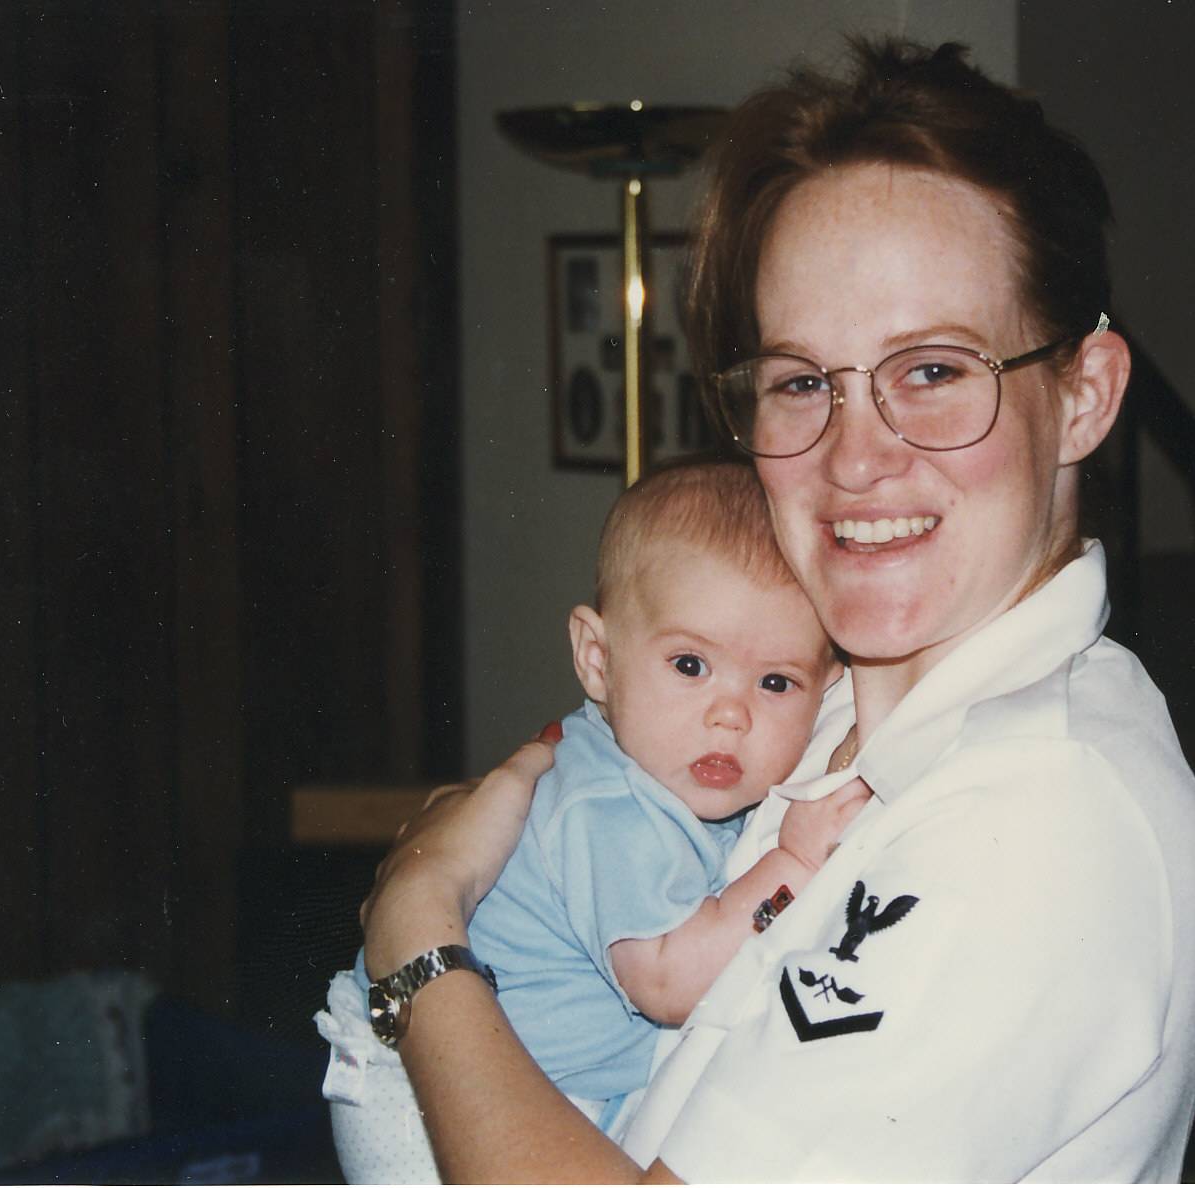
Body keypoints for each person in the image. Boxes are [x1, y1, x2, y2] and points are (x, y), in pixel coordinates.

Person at [359, 38, 1195, 1182]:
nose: (855, 459)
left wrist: (419, 944)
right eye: (800, 383)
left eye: (931, 371)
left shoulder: (1045, 821)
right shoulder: (818, 708)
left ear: (1084, 396)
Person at [317, 462, 854, 1181]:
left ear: (829, 689)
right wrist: (793, 868)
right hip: (411, 1089)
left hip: (514, 1067)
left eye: (776, 682)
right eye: (691, 664)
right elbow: (664, 982)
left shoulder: (668, 774)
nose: (732, 714)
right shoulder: (609, 804)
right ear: (597, 659)